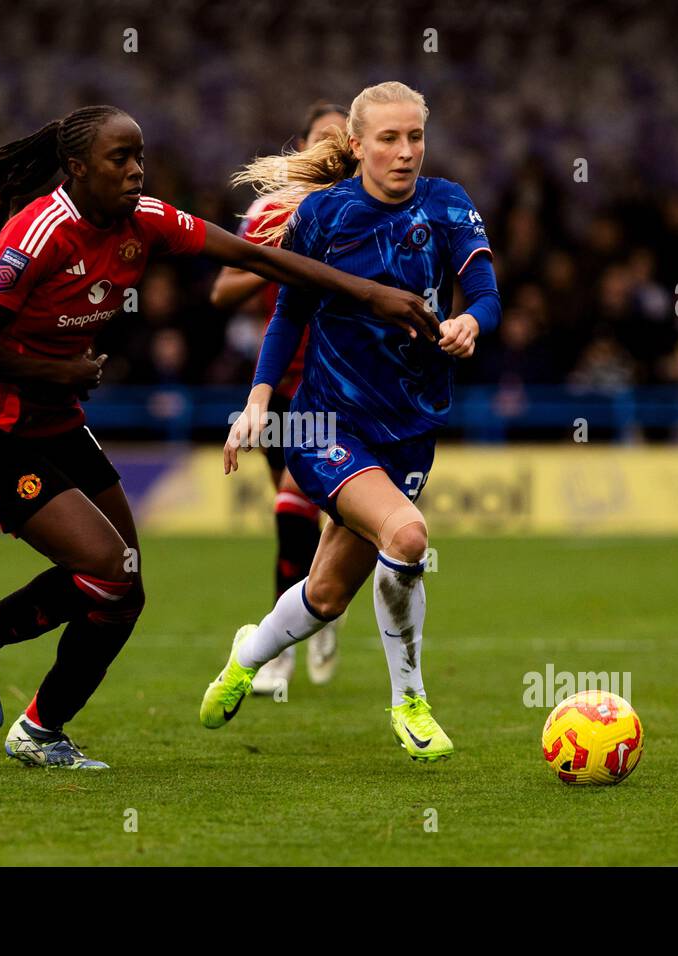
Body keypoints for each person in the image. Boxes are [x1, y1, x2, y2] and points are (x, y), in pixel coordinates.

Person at [0, 104, 437, 769]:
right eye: (120, 159)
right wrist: (60, 369)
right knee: (110, 575)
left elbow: (262, 261)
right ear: (78, 168)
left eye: (140, 155)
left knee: (125, 586)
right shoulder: (37, 236)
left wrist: (367, 293)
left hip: (56, 422)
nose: (136, 169)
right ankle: (19, 705)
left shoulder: (145, 219)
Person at [198, 81, 500, 762]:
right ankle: (411, 701)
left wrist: (468, 324)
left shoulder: (450, 204)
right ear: (357, 144)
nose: (405, 152)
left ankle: (248, 653)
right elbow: (290, 314)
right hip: (325, 423)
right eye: (389, 138)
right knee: (409, 533)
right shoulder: (325, 215)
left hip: (411, 426)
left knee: (329, 594)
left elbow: (486, 295)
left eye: (415, 137)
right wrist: (256, 400)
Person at [209, 101, 350, 696]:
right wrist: (278, 262)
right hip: (280, 385)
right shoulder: (270, 212)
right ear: (303, 148)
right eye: (323, 139)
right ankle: (320, 606)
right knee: (298, 514)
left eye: (343, 142)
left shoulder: (363, 213)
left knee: (298, 500)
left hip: (340, 383)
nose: (333, 151)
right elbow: (223, 291)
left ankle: (274, 652)